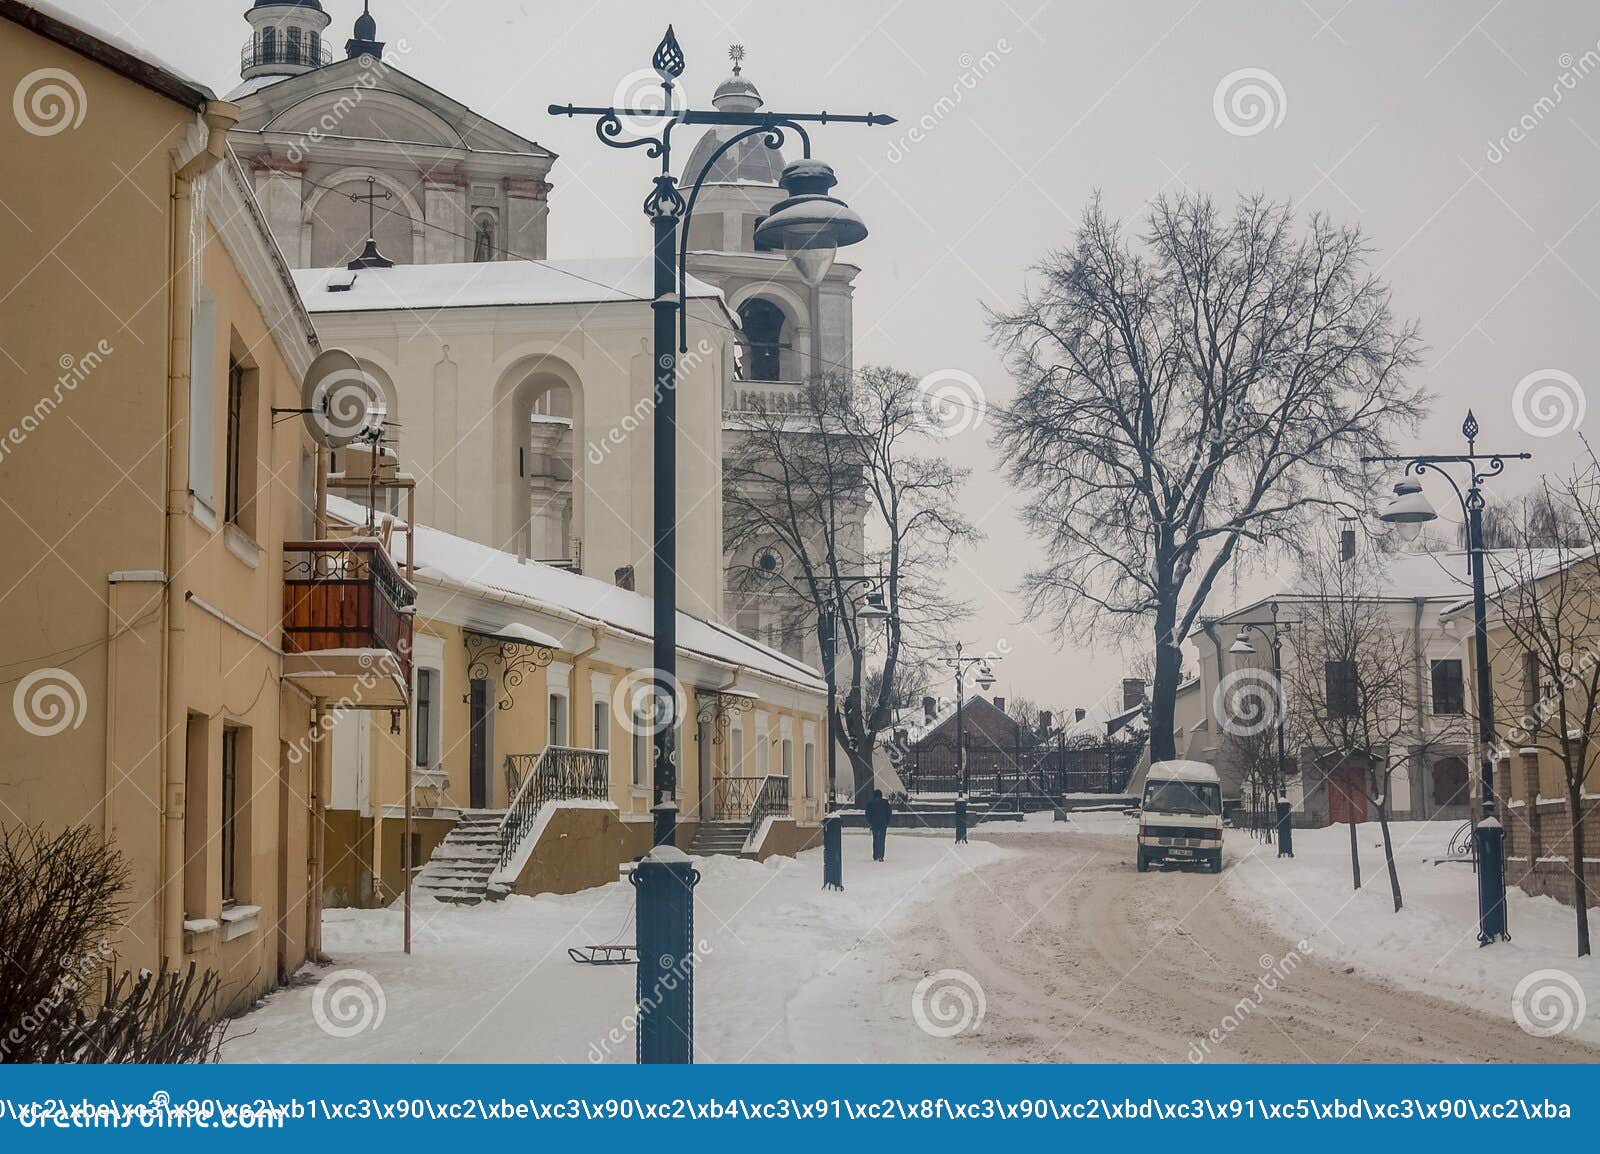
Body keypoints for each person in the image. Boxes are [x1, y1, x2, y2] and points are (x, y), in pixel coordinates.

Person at [865, 789, 893, 862]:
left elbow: (867, 814)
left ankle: (875, 855)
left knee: (875, 839)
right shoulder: (885, 803)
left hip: (874, 824)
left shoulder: (870, 803)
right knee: (882, 840)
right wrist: (887, 822)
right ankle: (881, 856)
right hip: (883, 824)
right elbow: (889, 813)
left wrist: (870, 822)